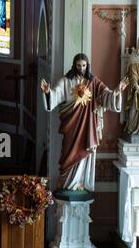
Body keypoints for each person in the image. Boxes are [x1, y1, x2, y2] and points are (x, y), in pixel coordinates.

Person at [40, 54, 126, 192]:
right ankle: (67, 182)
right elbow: (55, 94)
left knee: (84, 151)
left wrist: (116, 91)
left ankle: (80, 182)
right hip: (71, 127)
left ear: (87, 66)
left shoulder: (93, 82)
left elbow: (106, 95)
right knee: (68, 154)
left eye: (84, 66)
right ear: (74, 65)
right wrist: (48, 92)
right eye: (79, 65)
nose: (81, 68)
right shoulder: (66, 81)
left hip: (87, 126)